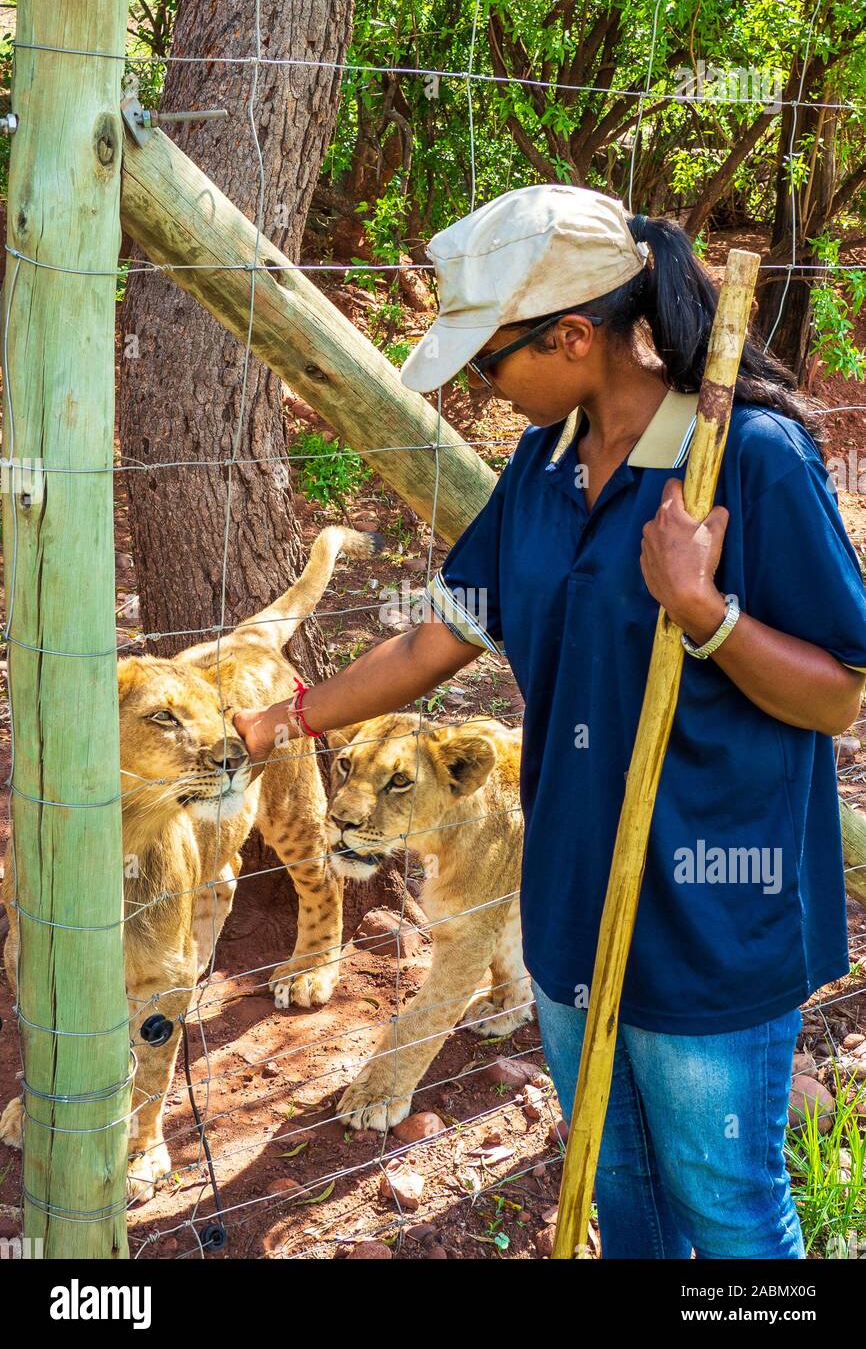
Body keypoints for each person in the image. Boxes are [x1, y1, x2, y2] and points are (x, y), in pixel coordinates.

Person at [234, 184, 866, 1259]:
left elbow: (839, 690)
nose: (483, 388)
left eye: (489, 361)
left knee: (724, 1207)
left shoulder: (745, 459)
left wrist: (704, 613)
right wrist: (285, 716)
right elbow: (439, 639)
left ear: (573, 335)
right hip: (574, 896)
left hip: (714, 911)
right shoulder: (539, 465)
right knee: (615, 1186)